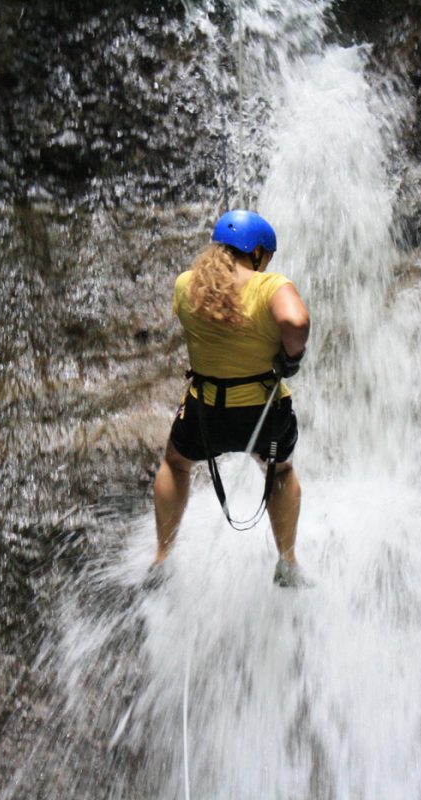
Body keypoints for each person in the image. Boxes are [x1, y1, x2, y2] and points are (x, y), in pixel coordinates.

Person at [151, 209, 311, 587]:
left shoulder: (186, 284)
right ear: (256, 252)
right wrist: (292, 356)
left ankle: (162, 558)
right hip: (264, 409)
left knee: (177, 464)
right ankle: (287, 562)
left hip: (206, 411)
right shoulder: (270, 286)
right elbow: (297, 321)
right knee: (281, 472)